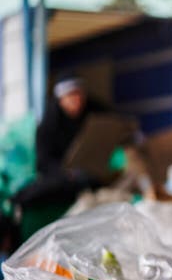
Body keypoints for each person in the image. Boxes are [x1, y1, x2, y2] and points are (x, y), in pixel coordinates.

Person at [15, 75, 110, 207]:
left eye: (79, 94)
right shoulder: (48, 125)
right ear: (61, 99)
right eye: (71, 95)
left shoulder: (91, 116)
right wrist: (65, 173)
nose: (77, 99)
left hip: (86, 175)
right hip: (60, 177)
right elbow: (43, 162)